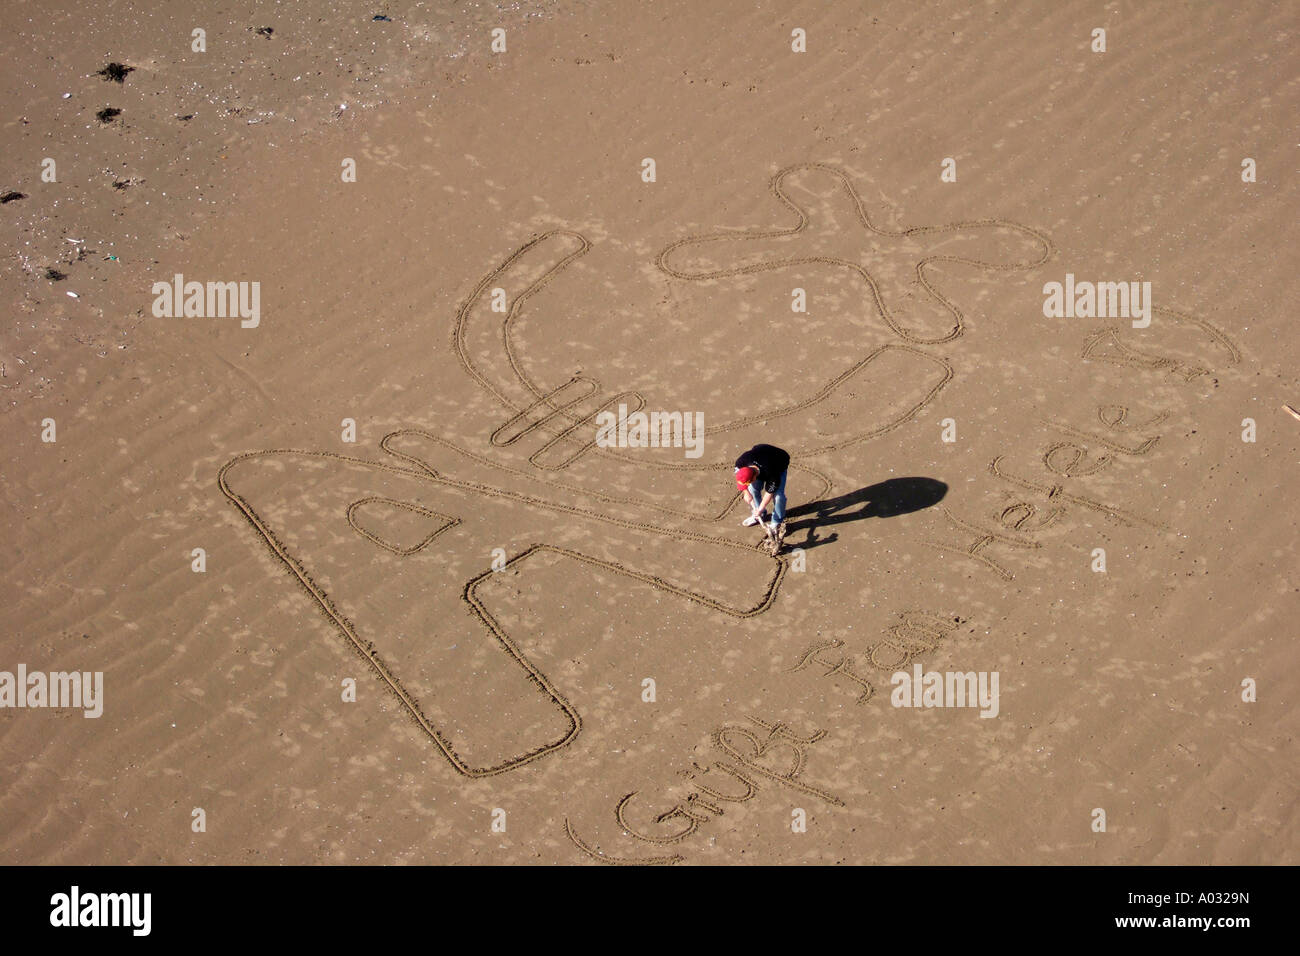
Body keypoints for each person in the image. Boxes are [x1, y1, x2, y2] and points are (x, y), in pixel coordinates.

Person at [734, 443, 790, 536]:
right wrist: (746, 492)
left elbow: (769, 493)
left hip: (779, 461)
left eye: (750, 481)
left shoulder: (772, 474)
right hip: (760, 452)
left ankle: (777, 522)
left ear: (755, 477)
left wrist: (760, 508)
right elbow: (741, 481)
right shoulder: (740, 463)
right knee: (752, 489)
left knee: (779, 497)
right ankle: (760, 515)